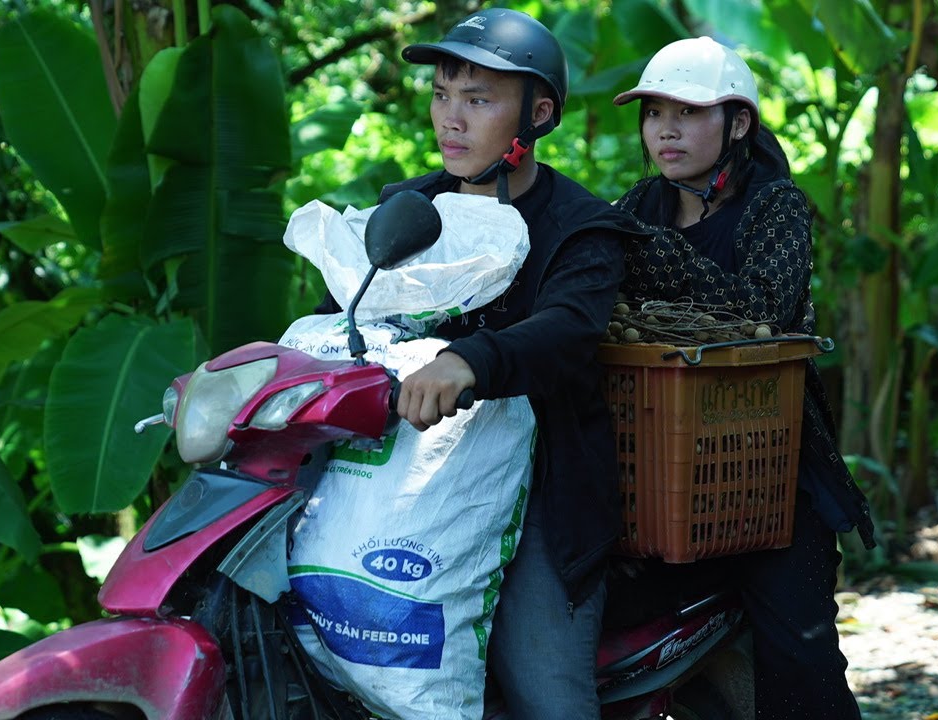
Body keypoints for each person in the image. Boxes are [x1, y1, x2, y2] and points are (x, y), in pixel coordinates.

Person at [314, 8, 636, 718]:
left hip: (545, 490)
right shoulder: (409, 207)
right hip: (404, 478)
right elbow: (351, 317)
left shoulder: (583, 227)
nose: (449, 119)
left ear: (538, 113)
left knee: (546, 692)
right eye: (440, 94)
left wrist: (471, 360)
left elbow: (569, 329)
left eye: (478, 99)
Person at [609, 36, 876, 719]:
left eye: (688, 113)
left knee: (802, 662)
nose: (665, 129)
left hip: (772, 478)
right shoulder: (640, 205)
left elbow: (761, 311)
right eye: (653, 113)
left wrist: (648, 252)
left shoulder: (774, 204)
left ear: (738, 124)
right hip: (661, 476)